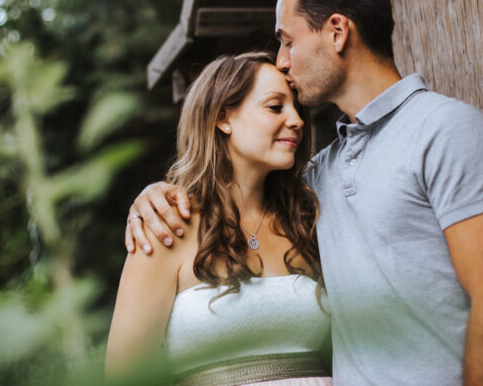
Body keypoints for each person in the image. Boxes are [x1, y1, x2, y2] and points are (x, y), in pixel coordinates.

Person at [126, 0, 483, 386]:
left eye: (287, 40)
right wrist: (153, 197)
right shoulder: (318, 178)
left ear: (337, 31)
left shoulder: (448, 130)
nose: (281, 59)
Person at [105, 52, 332, 385]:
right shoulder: (166, 226)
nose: (297, 120)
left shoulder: (307, 220)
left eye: (297, 108)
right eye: (275, 107)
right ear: (223, 118)